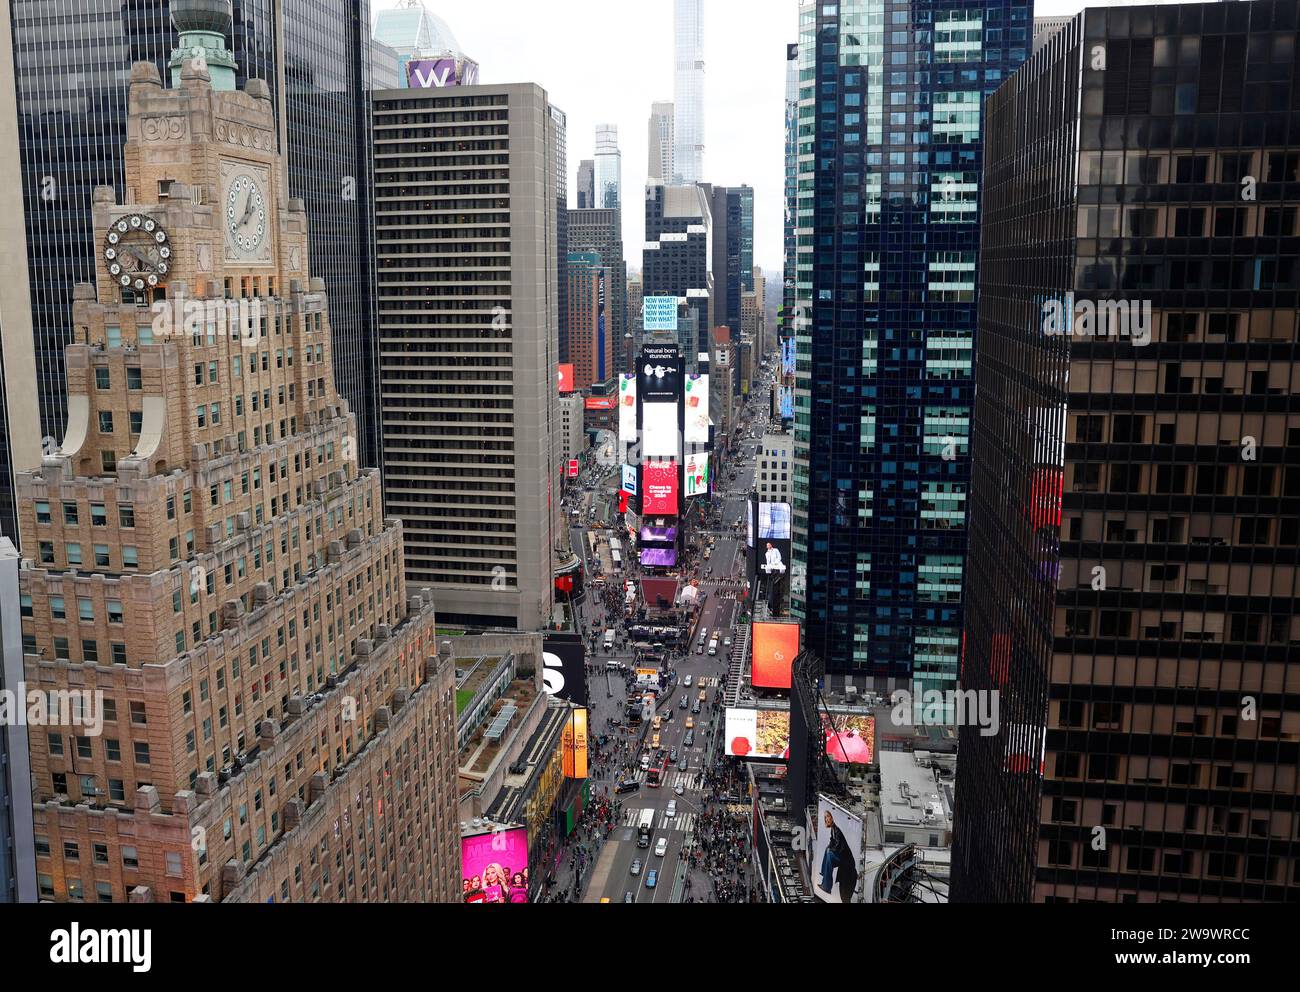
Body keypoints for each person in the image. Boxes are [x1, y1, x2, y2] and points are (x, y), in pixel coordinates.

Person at [818, 810, 858, 903]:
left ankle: (826, 886)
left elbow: (840, 846)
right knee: (827, 851)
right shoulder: (833, 830)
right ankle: (824, 875)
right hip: (841, 856)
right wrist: (829, 847)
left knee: (829, 855)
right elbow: (832, 841)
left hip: (845, 860)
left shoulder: (837, 830)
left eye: (828, 816)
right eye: (825, 817)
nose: (826, 819)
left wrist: (831, 850)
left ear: (832, 817)